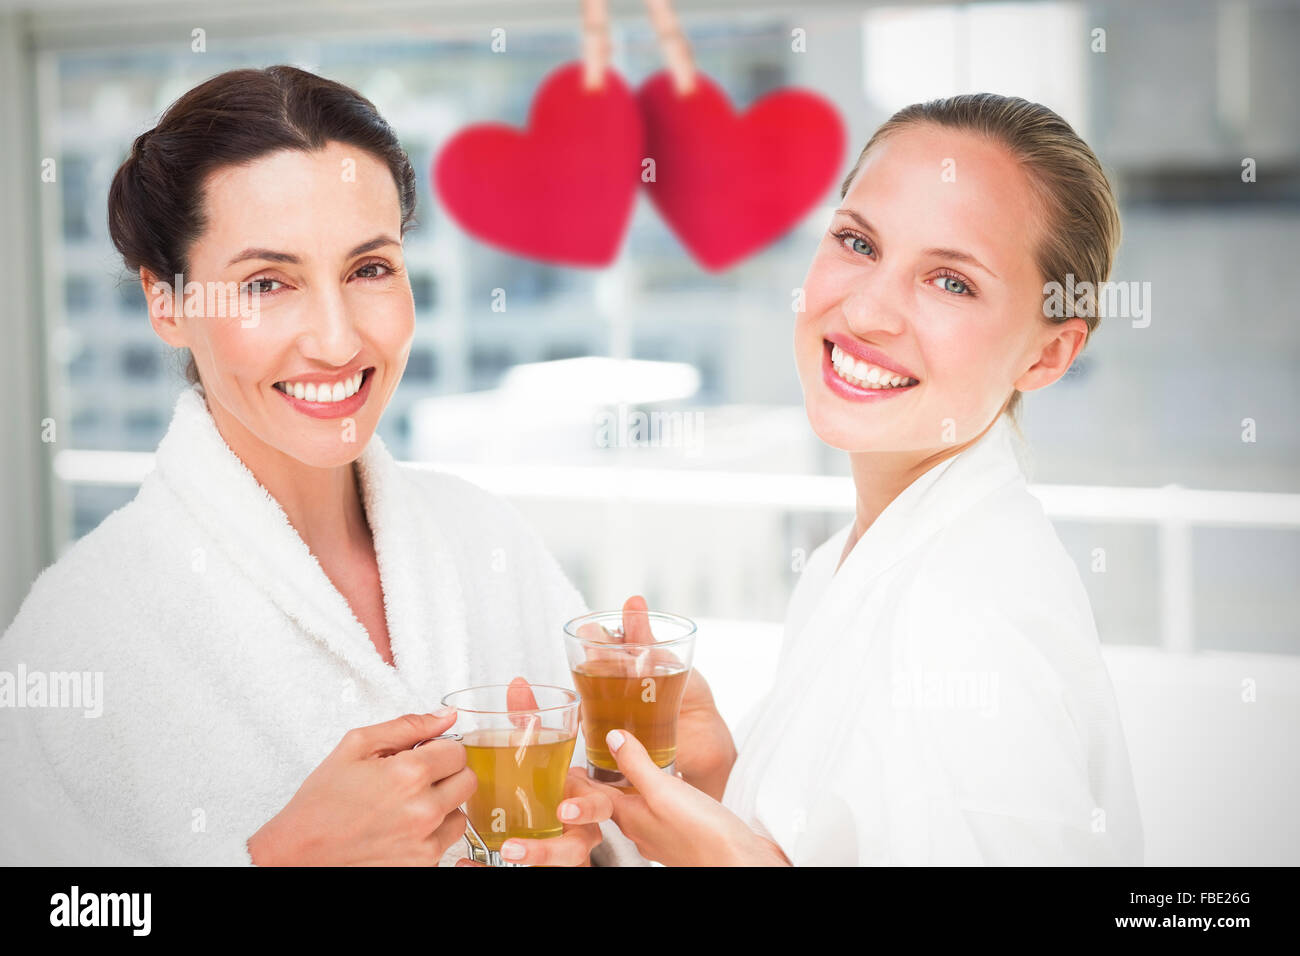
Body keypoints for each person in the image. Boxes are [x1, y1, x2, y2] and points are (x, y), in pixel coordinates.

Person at [0, 65, 634, 867]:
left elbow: (596, 831)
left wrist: (595, 846)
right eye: (267, 283)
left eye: (369, 269)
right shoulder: (74, 636)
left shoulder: (485, 541)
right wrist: (278, 862)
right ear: (165, 302)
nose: (337, 341)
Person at [590, 93, 1146, 866]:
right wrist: (722, 779)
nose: (870, 310)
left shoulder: (970, 619)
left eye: (951, 282)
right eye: (857, 242)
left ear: (1048, 355)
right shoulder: (857, 559)